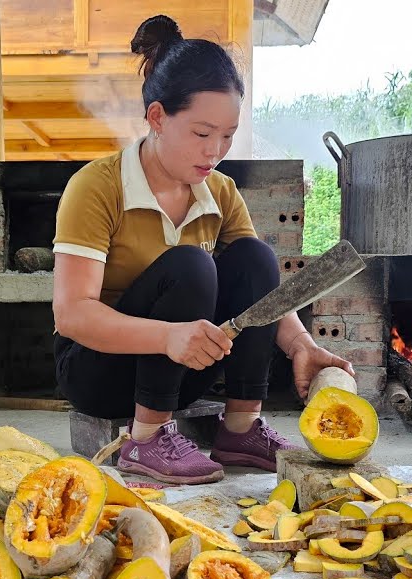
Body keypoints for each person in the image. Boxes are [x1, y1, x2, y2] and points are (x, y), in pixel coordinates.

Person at [51, 14, 354, 485]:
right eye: (200, 133)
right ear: (157, 116)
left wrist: (302, 345)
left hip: (180, 373)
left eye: (227, 135)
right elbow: (72, 315)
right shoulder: (97, 186)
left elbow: (259, 290)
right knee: (191, 265)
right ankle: (147, 438)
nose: (215, 150)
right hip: (98, 371)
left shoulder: (221, 191)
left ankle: (241, 429)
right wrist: (166, 336)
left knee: (257, 258)